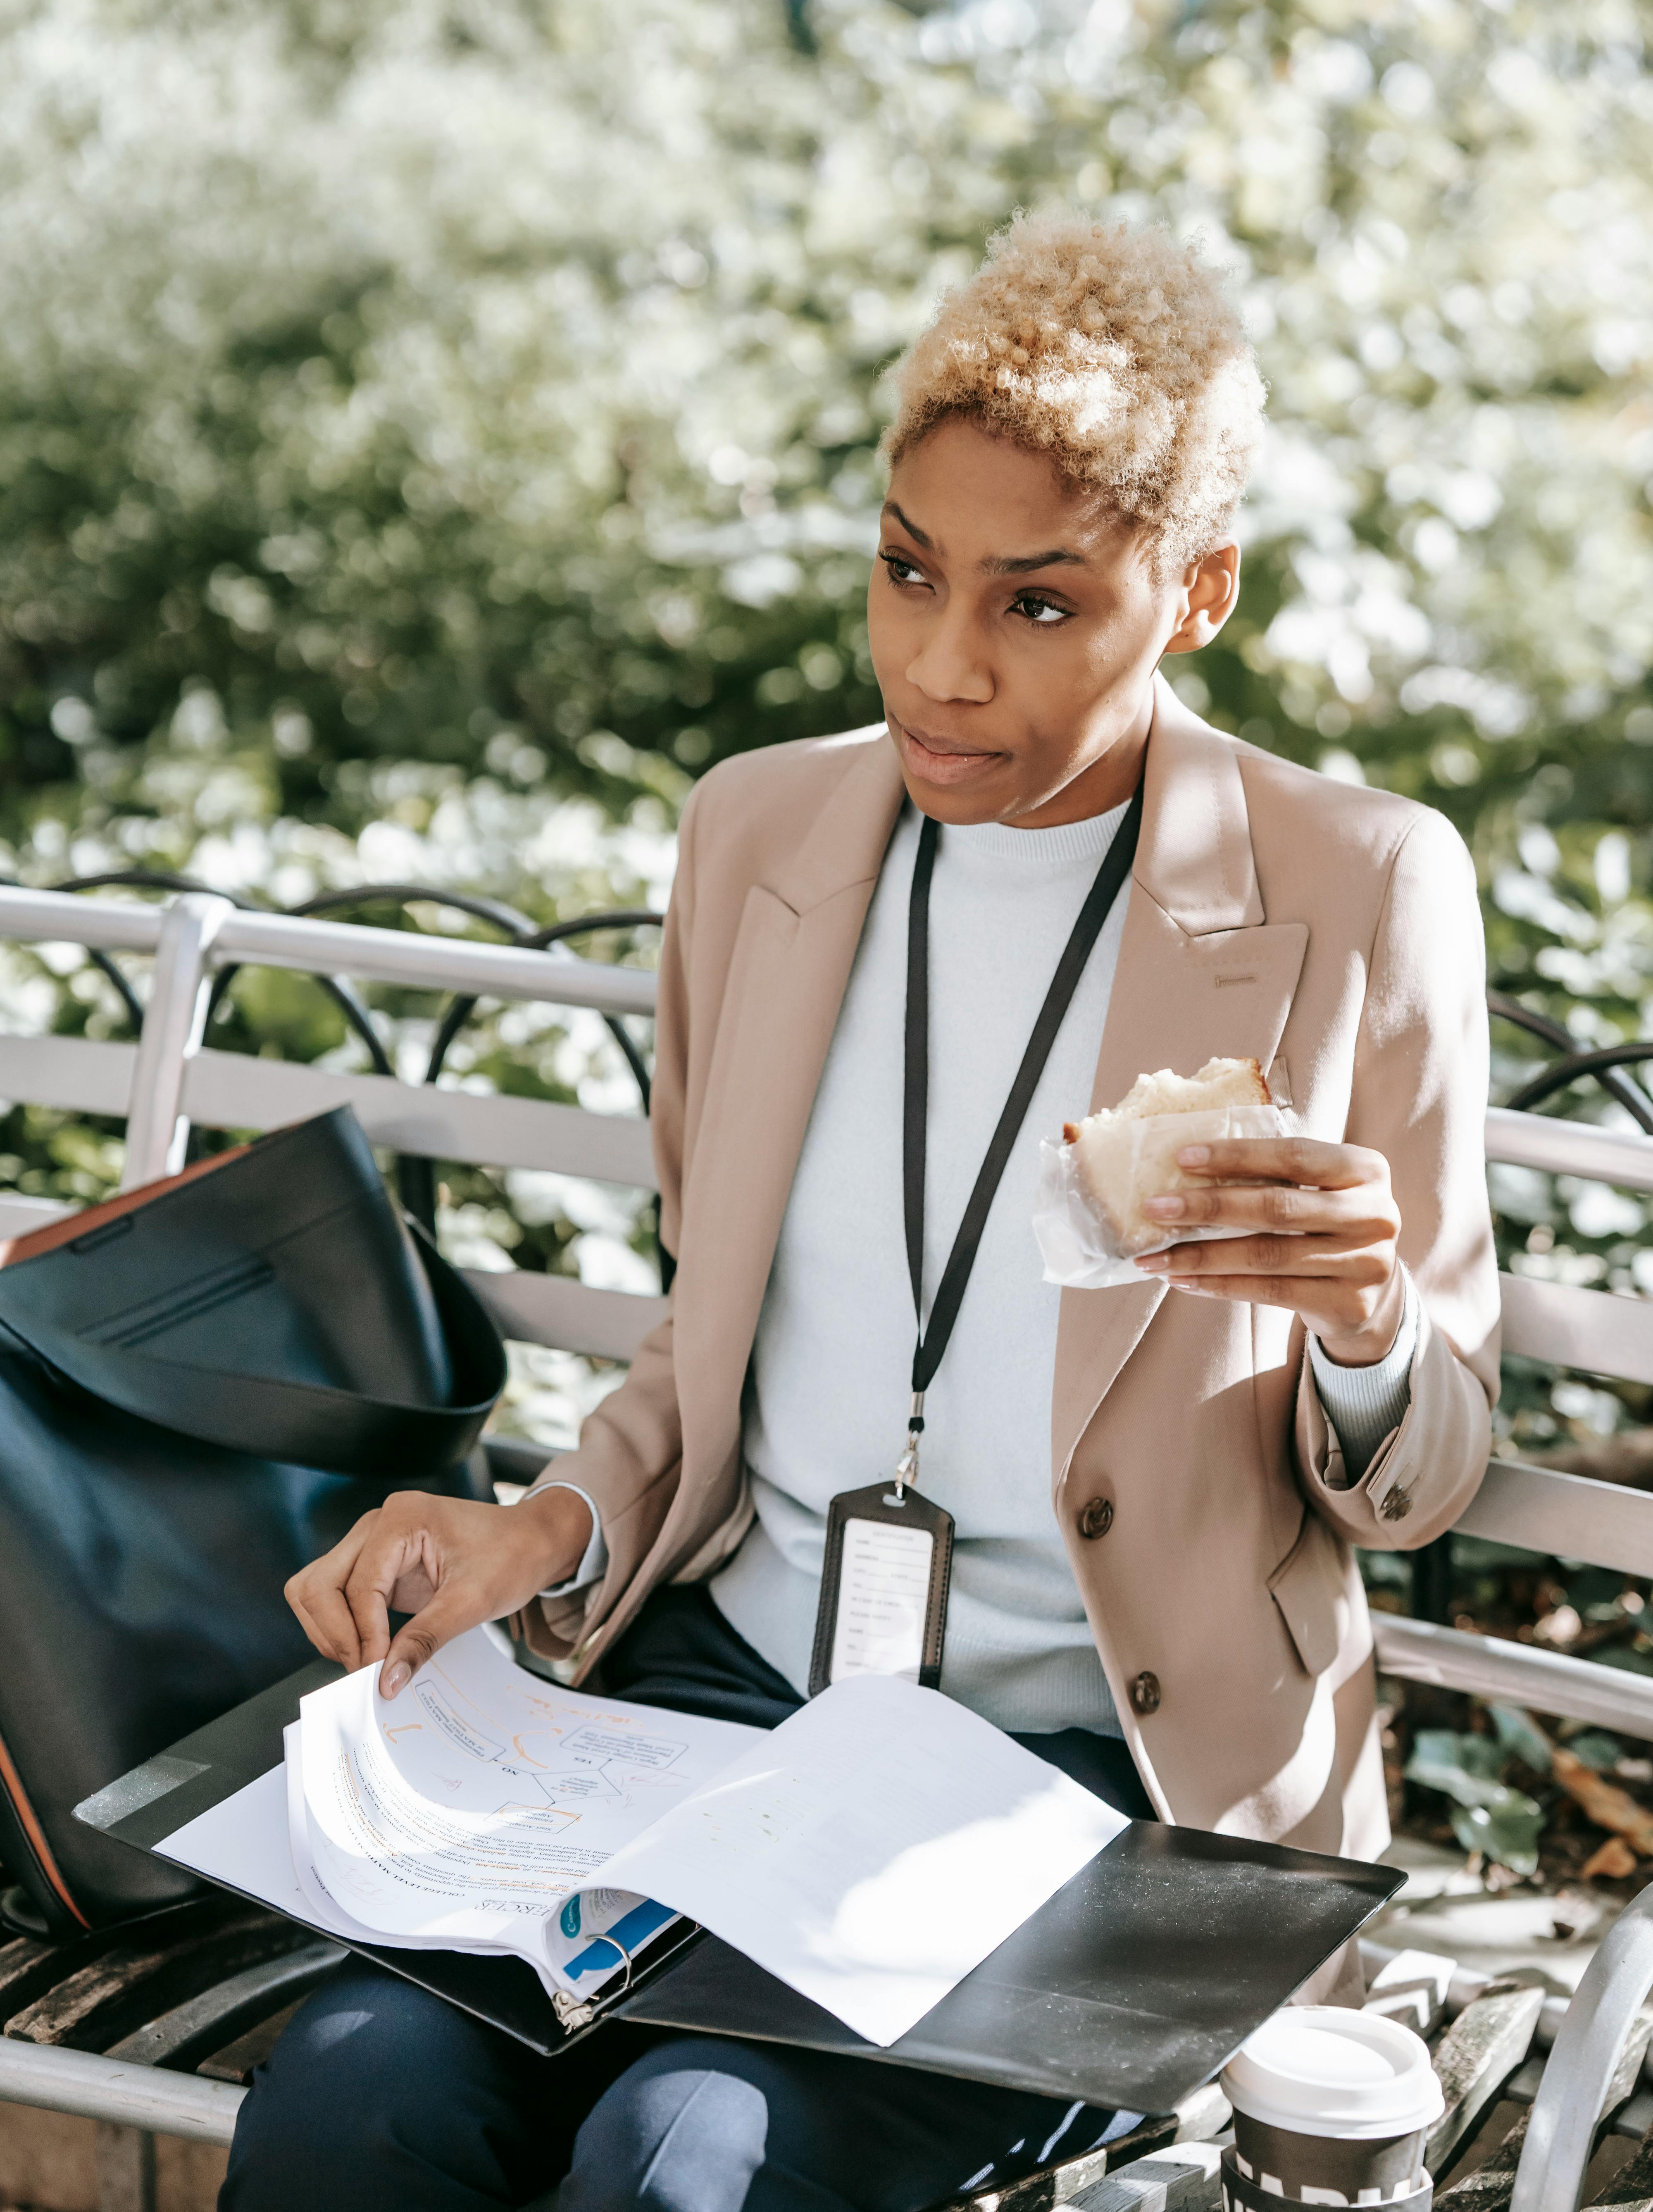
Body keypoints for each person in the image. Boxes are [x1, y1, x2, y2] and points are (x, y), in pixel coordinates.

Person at [226, 217, 1499, 2212]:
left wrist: (1364, 1331)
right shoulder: (758, 836)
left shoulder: (1352, 887)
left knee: (688, 2161)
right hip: (726, 1713)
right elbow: (710, 1346)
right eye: (907, 568)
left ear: (1199, 594)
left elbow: (1418, 1485)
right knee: (352, 2087)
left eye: (1039, 602)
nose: (940, 661)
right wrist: (542, 1529)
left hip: (1096, 1776)